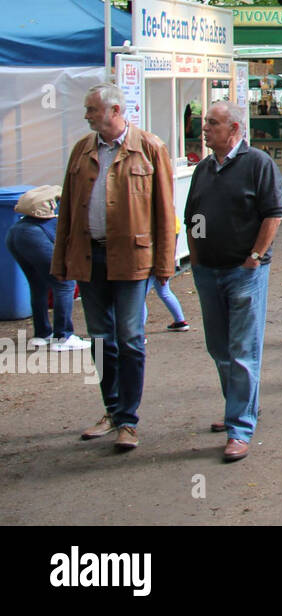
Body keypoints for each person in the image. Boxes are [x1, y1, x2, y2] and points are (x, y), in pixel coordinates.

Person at [51, 83, 175, 452]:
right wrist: (61, 260)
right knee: (100, 339)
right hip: (90, 257)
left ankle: (128, 421)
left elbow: (165, 213)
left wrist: (164, 264)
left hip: (132, 259)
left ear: (114, 110)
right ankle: (113, 411)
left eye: (92, 109)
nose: (86, 115)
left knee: (130, 338)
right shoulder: (82, 151)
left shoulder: (149, 147)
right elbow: (68, 213)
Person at [185, 101, 282, 461]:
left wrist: (255, 256)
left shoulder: (258, 164)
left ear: (234, 129)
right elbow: (193, 215)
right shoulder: (204, 170)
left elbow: (273, 214)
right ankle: (240, 407)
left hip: (244, 272)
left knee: (243, 350)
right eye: (205, 122)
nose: (205, 128)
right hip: (208, 271)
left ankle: (239, 427)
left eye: (213, 123)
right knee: (219, 348)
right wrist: (195, 256)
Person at [5, 186, 89, 351]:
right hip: (35, 236)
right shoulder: (82, 206)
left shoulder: (65, 199)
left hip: (16, 232)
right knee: (65, 284)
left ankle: (43, 334)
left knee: (38, 285)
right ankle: (63, 337)